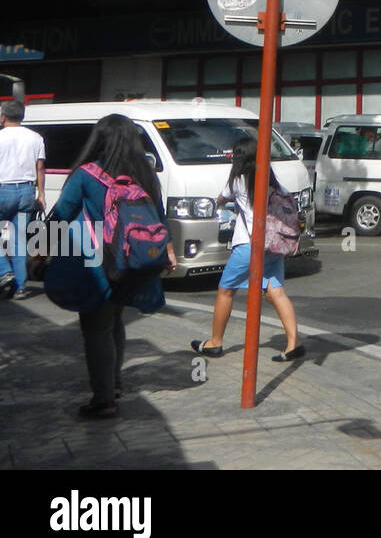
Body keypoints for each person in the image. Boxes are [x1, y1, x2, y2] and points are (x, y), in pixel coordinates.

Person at [49, 113, 177, 418]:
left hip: (98, 264)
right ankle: (114, 384)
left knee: (95, 328)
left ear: (99, 139)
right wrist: (169, 250)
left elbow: (61, 214)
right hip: (134, 264)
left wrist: (37, 249)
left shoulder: (86, 174)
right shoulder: (145, 175)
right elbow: (159, 215)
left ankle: (104, 399)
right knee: (114, 320)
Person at [192, 138, 303, 362]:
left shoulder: (239, 180)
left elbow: (221, 199)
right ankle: (294, 343)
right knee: (276, 291)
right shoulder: (272, 181)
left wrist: (223, 203)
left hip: (249, 245)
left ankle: (215, 342)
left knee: (226, 290)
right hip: (273, 244)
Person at [0, 100, 46, 300]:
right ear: (22, 116)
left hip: (3, 189)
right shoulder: (36, 138)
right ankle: (20, 287)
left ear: (2, 117)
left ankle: (4, 271)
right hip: (27, 191)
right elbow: (40, 168)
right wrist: (41, 194)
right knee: (18, 240)